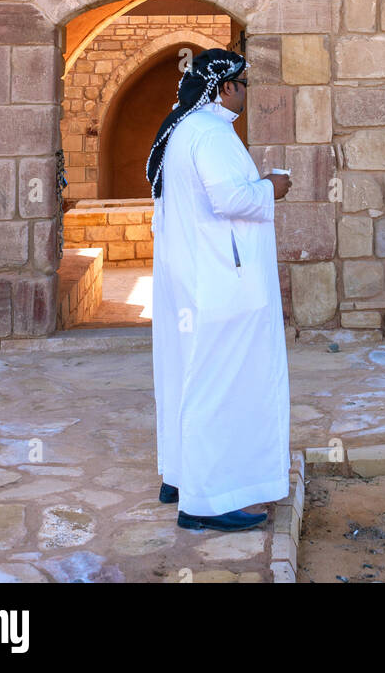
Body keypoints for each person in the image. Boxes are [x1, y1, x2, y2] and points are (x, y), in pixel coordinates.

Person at [146, 48, 292, 531]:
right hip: (220, 282)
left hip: (192, 278)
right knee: (219, 382)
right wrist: (272, 186)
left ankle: (180, 477)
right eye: (244, 82)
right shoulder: (208, 133)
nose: (248, 90)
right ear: (225, 86)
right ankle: (205, 502)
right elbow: (229, 199)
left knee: (186, 375)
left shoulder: (183, 129)